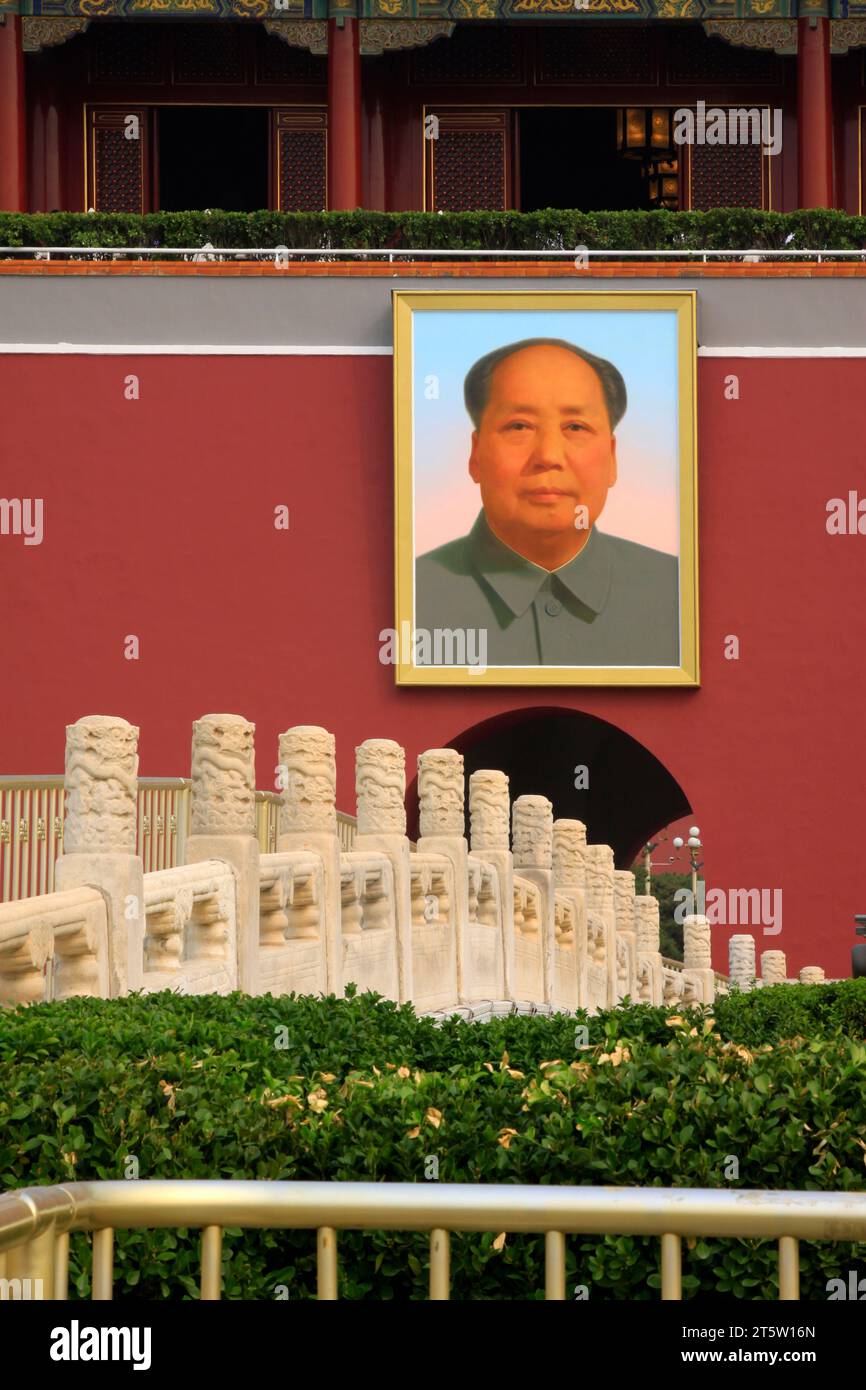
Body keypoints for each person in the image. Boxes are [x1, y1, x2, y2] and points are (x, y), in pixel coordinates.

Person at [415, 337, 679, 667]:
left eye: (575, 427)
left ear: (612, 458)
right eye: (520, 426)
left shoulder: (680, 595)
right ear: (475, 455)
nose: (548, 456)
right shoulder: (411, 597)